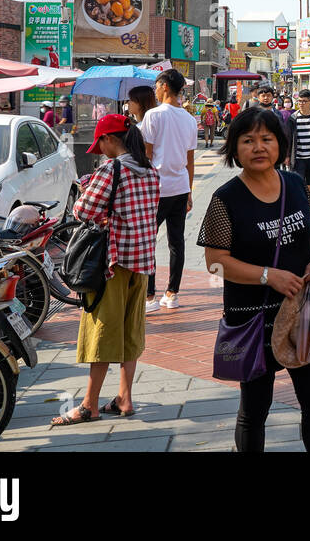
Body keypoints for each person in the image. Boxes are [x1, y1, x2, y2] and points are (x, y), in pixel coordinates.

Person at [198, 107, 310, 452]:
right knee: (255, 408)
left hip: (300, 314)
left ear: (280, 146)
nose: (258, 147)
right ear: (234, 149)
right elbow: (216, 263)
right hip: (252, 320)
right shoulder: (226, 199)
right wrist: (267, 276)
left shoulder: (295, 183)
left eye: (267, 139)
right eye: (248, 140)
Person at [50, 114, 159, 426]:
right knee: (130, 330)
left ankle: (89, 405)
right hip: (141, 262)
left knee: (100, 331)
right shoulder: (149, 168)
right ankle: (124, 398)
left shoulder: (112, 169)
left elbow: (81, 210)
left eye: (99, 144)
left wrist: (100, 206)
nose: (98, 151)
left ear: (110, 139)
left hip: (111, 264)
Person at [138, 69, 199, 313]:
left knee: (147, 241)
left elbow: (146, 155)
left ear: (164, 86)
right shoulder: (190, 119)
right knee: (177, 242)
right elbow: (190, 159)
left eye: (156, 86)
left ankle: (149, 297)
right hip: (180, 187)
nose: (154, 90)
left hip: (156, 189)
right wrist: (190, 192)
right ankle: (172, 294)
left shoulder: (153, 116)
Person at [247, 84, 296, 166]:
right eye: (263, 96)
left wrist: (285, 153)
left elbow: (283, 133)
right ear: (258, 97)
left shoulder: (278, 114)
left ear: (273, 97)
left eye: (268, 95)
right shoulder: (253, 114)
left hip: (274, 151)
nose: (266, 98)